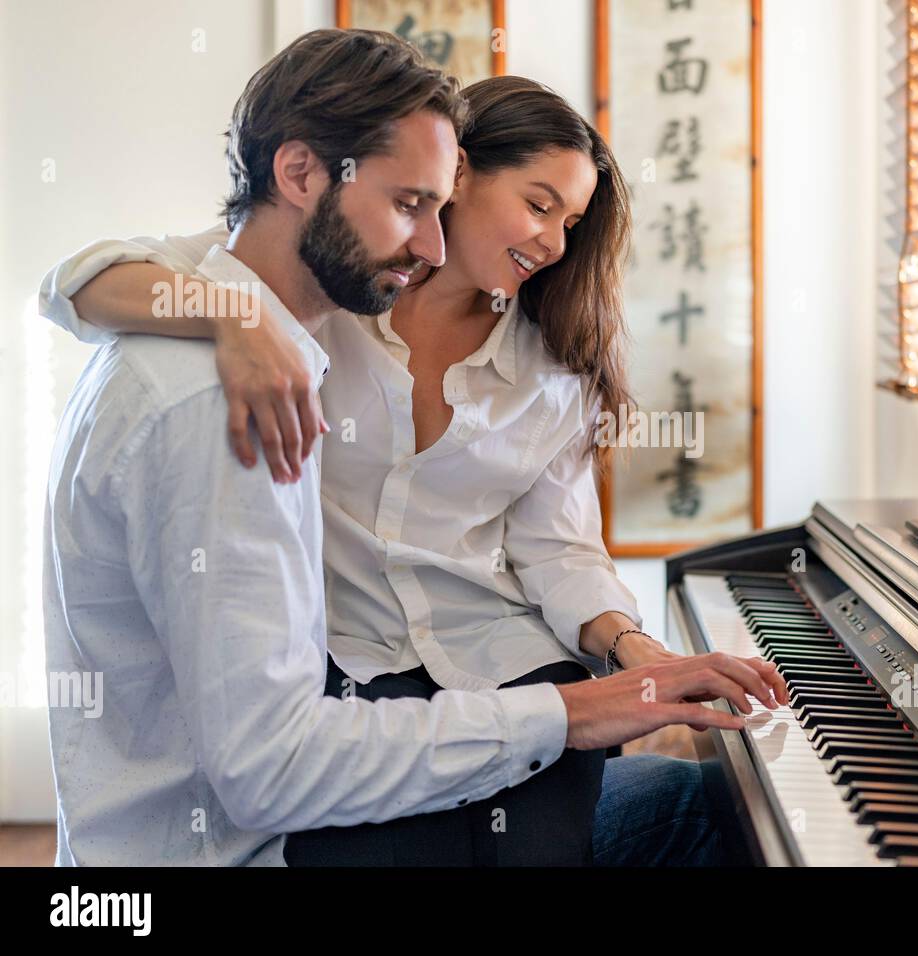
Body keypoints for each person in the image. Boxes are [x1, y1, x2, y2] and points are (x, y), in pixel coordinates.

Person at [41, 28, 783, 867]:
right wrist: (236, 317)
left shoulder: (537, 360)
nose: (554, 244)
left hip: (492, 672)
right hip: (347, 693)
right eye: (538, 206)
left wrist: (628, 656)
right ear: (461, 177)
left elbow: (557, 549)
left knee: (691, 807)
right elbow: (76, 279)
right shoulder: (303, 325)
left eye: (572, 223)